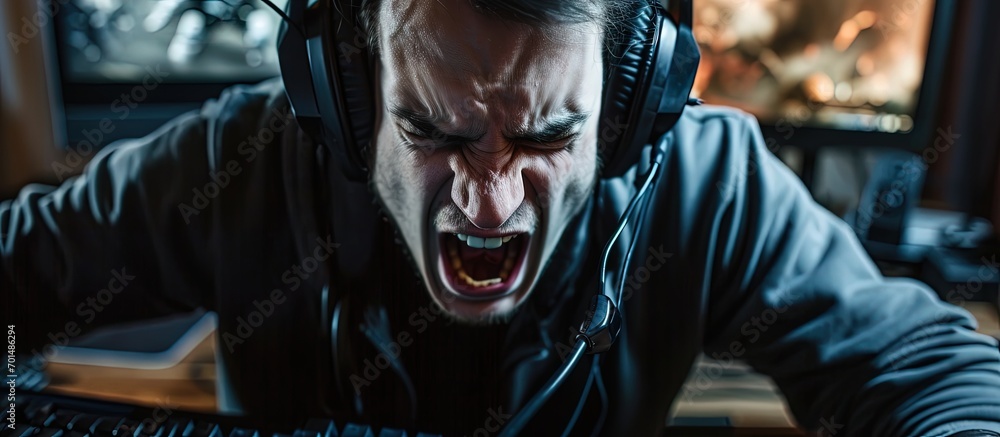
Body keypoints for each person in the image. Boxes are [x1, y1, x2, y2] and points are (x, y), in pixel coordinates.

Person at [3, 0, 1000, 435]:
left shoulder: (702, 179)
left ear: (628, 106)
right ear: (347, 88)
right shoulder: (235, 164)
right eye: (434, 132)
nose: (487, 199)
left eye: (543, 141)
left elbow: (930, 371)